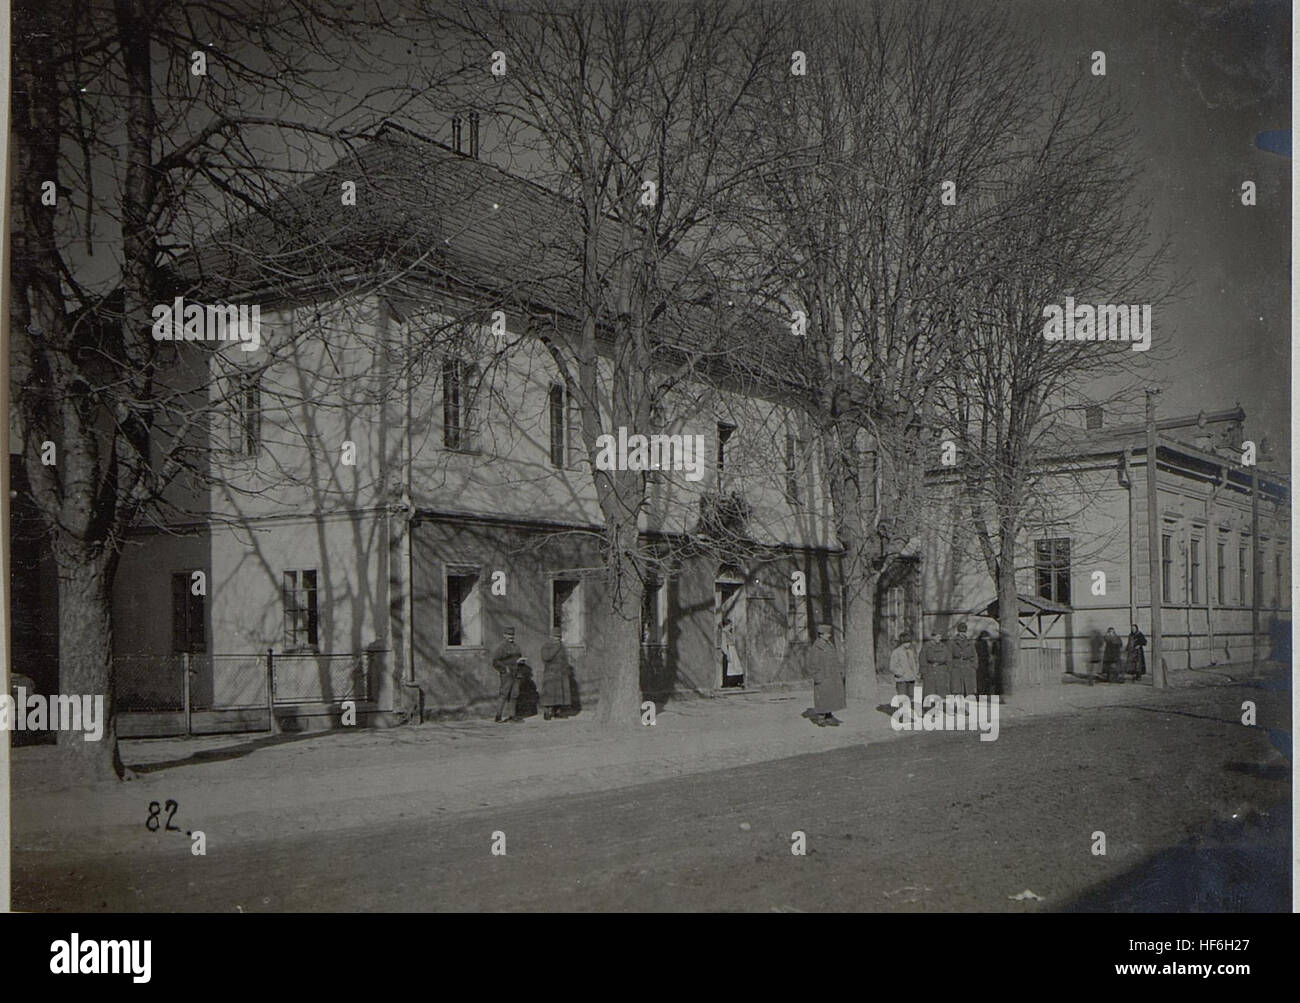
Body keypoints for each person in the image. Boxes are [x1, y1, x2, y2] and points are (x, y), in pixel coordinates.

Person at [805, 622, 845, 726]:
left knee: (831, 697)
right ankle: (820, 718)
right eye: (827, 634)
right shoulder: (817, 647)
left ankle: (829, 716)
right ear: (821, 634)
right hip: (822, 676)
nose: (829, 635)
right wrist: (817, 677)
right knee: (822, 698)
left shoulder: (829, 645)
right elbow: (811, 664)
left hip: (831, 676)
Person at [539, 626, 574, 720]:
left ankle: (558, 712)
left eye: (559, 637)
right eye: (555, 637)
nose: (557, 639)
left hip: (561, 673)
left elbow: (565, 659)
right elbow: (546, 657)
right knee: (549, 694)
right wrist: (556, 647)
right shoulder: (547, 646)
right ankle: (547, 713)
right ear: (551, 636)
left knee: (560, 694)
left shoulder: (561, 646)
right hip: (551, 673)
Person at [492, 626, 525, 722]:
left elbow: (518, 658)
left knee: (515, 695)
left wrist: (521, 662)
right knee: (504, 694)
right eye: (509, 635)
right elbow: (495, 661)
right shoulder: (501, 647)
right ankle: (498, 716)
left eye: (512, 635)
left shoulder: (516, 646)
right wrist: (504, 669)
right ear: (504, 635)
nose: (511, 637)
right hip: (507, 675)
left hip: (516, 673)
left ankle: (512, 716)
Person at [889, 630, 919, 700]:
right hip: (901, 680)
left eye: (909, 642)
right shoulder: (896, 652)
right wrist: (900, 673)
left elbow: (913, 664)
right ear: (901, 642)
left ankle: (909, 710)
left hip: (911, 679)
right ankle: (902, 711)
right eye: (906, 642)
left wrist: (915, 674)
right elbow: (892, 666)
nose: (908, 644)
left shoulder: (910, 652)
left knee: (911, 697)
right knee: (902, 698)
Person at [920, 628, 951, 697]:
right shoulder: (926, 646)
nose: (939, 639)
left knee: (941, 691)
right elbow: (922, 659)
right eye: (937, 637)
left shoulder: (943, 646)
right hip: (930, 671)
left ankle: (940, 705)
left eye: (940, 637)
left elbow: (948, 658)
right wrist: (923, 672)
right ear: (933, 637)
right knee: (930, 691)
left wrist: (947, 669)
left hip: (941, 671)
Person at [949, 622, 977, 697]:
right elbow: (949, 656)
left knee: (969, 688)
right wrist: (951, 667)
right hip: (956, 667)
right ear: (958, 632)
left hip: (968, 667)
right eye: (961, 632)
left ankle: (969, 703)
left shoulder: (970, 642)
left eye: (964, 632)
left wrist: (974, 666)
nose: (962, 634)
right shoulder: (953, 642)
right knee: (957, 688)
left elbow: (974, 655)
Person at [975, 629, 995, 695]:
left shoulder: (980, 643)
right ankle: (983, 693)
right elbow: (982, 654)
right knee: (983, 679)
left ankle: (983, 692)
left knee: (983, 679)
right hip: (982, 663)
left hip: (983, 663)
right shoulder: (982, 644)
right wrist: (988, 658)